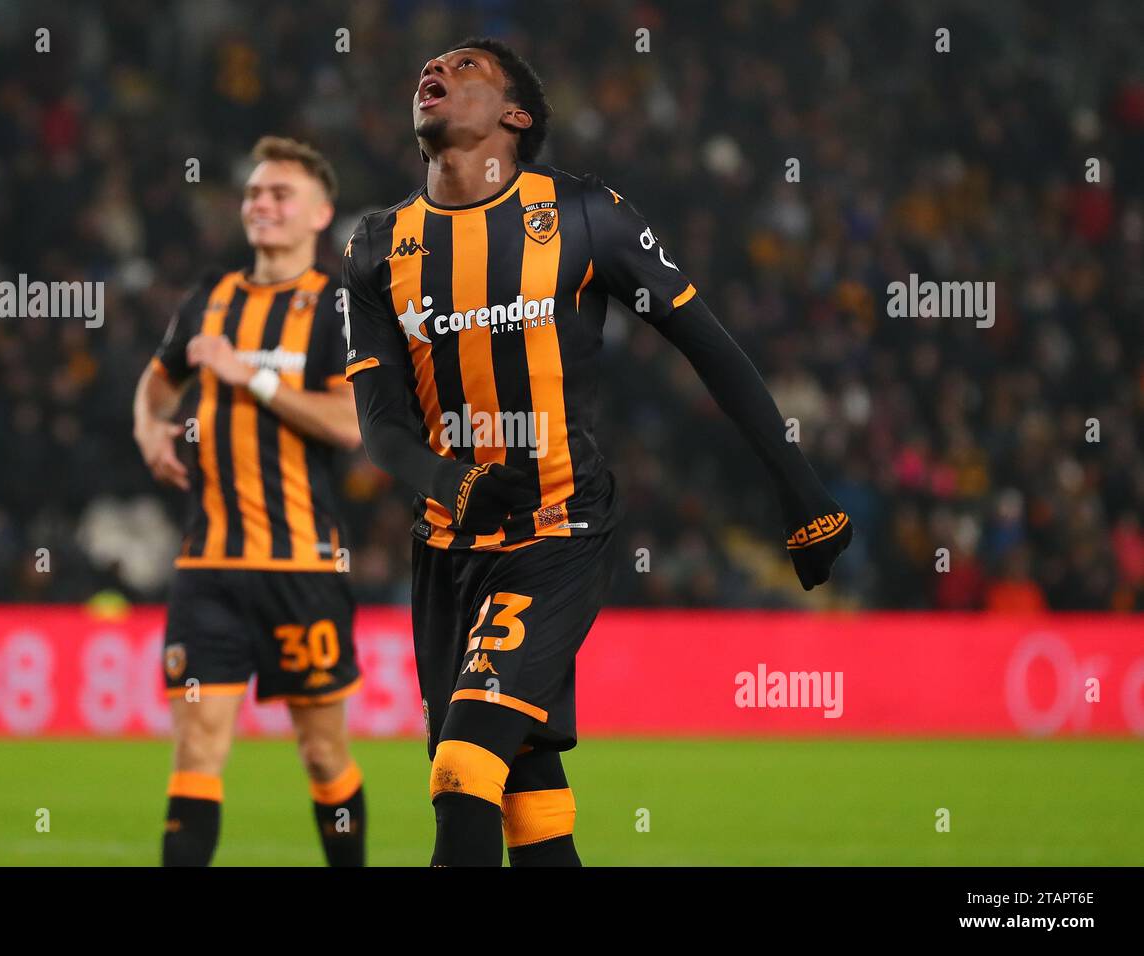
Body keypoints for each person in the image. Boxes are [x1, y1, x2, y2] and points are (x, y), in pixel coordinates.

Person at [343, 38, 852, 866]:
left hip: (558, 532)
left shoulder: (585, 215)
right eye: (430, 66)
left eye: (465, 67)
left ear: (517, 116)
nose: (434, 71)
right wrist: (452, 481)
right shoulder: (375, 247)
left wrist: (801, 489)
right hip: (445, 551)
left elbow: (710, 348)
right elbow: (381, 426)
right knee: (531, 802)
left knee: (463, 770)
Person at [133, 136, 366, 866]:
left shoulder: (338, 307)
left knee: (323, 753)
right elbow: (158, 382)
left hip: (302, 564)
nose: (261, 205)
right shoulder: (210, 297)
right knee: (197, 746)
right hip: (209, 567)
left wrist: (248, 378)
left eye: (279, 195)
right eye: (253, 195)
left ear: (320, 214)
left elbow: (352, 424)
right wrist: (148, 430)